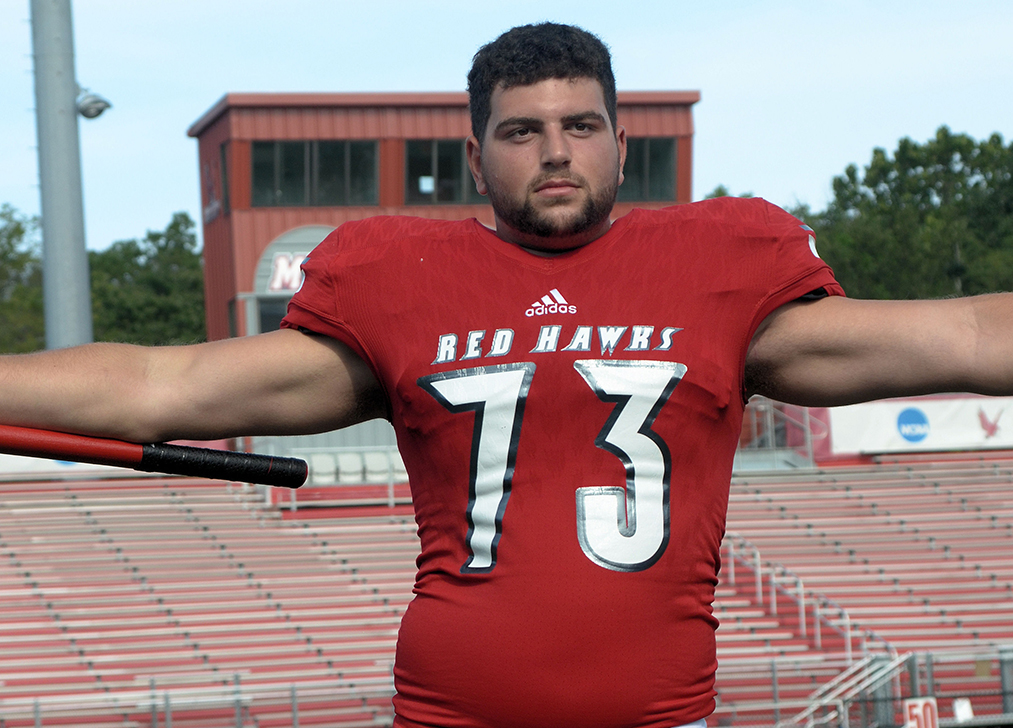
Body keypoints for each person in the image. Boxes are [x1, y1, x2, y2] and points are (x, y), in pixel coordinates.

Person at [3, 21, 1012, 728]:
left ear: (620, 144)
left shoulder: (719, 267)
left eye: (580, 126)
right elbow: (166, 383)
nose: (554, 152)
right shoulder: (404, 279)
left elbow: (967, 332)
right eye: (521, 131)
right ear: (477, 156)